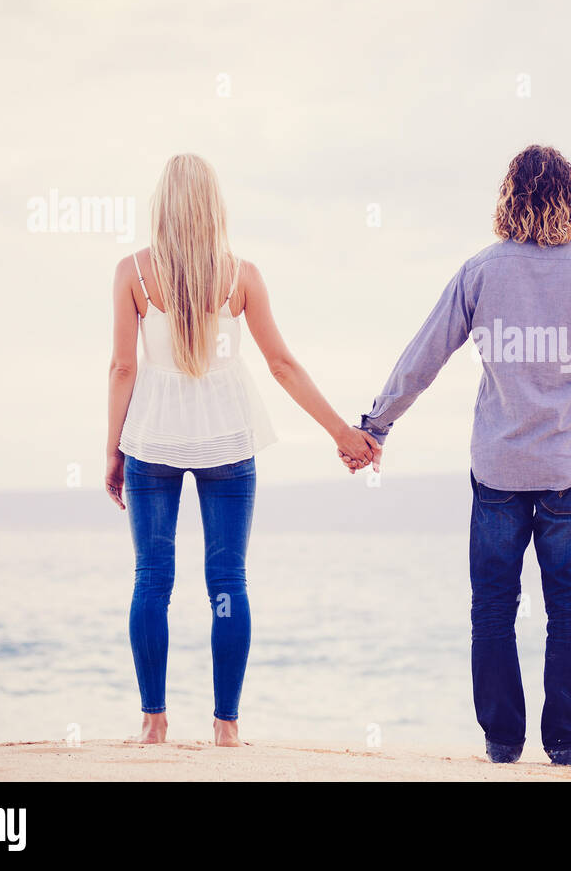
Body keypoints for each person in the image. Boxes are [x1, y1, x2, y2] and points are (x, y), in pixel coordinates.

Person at [350, 144, 571, 766]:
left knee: (494, 608)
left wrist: (377, 425)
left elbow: (423, 356)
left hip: (497, 472)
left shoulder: (480, 273)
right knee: (569, 609)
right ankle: (567, 744)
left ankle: (503, 744)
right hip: (568, 474)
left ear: (509, 198)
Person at [105, 153, 377, 747]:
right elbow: (282, 364)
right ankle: (226, 728)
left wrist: (112, 450)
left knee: (152, 579)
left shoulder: (133, 271)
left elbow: (124, 366)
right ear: (213, 207)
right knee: (227, 582)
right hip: (227, 436)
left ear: (163, 206)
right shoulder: (240, 275)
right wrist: (341, 433)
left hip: (151, 436)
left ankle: (153, 724)